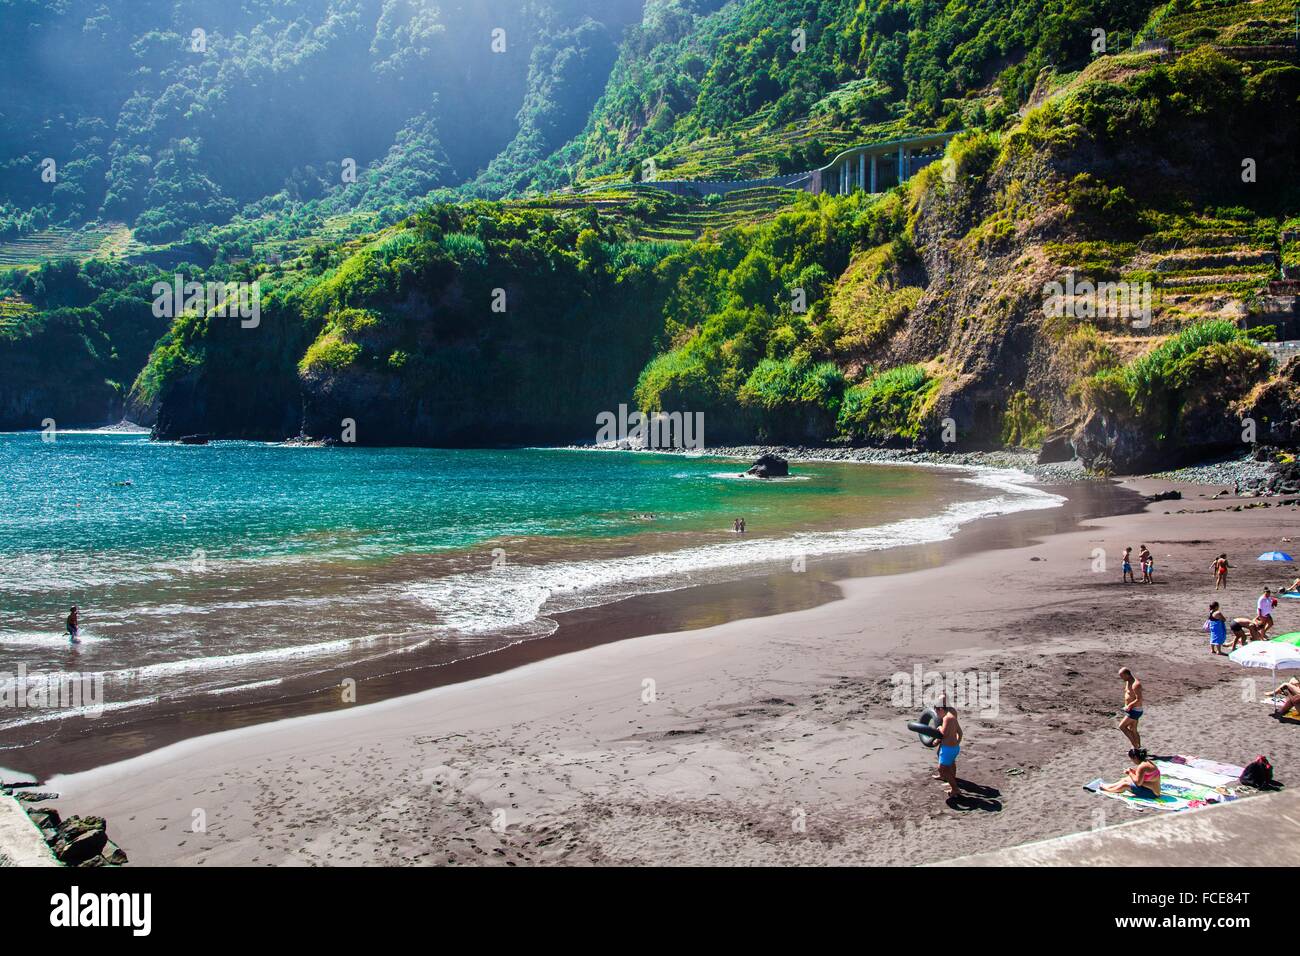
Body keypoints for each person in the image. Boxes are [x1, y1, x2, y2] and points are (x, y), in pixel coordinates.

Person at [931, 700, 963, 797]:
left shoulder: (946, 718)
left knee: (942, 769)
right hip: (954, 748)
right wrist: (957, 742)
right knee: (951, 764)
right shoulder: (952, 717)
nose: (936, 714)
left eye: (936, 712)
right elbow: (960, 732)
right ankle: (952, 785)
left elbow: (943, 733)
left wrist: (939, 727)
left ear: (940, 709)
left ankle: (955, 789)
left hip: (947, 748)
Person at [1118, 667, 1143, 749]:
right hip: (1131, 710)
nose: (1121, 678)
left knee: (1122, 726)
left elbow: (1139, 699)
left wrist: (1129, 706)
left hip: (1135, 711)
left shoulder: (1136, 684)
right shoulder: (1128, 681)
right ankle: (1138, 747)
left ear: (1127, 675)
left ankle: (1135, 747)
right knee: (1133, 729)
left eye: (1122, 676)